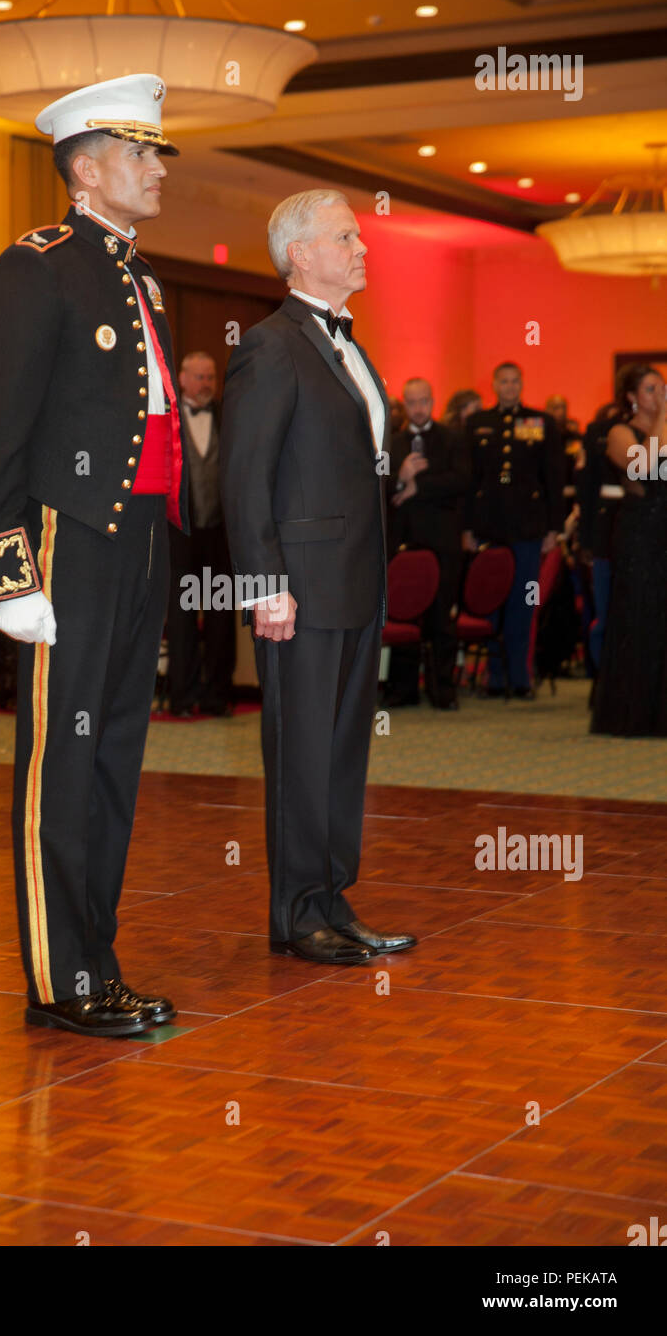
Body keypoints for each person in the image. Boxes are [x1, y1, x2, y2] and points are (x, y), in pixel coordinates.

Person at [0, 74, 189, 1037]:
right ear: (86, 170)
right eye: (142, 154)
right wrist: (7, 574)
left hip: (136, 542)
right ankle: (63, 980)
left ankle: (98, 959)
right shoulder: (38, 266)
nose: (158, 169)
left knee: (113, 761)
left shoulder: (141, 273)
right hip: (69, 541)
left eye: (159, 154)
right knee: (63, 762)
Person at [220, 188, 416, 965]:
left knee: (340, 751)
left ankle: (332, 899)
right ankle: (298, 913)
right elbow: (245, 475)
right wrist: (266, 585)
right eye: (347, 236)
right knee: (300, 750)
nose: (363, 248)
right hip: (299, 587)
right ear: (301, 254)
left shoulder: (349, 345)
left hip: (356, 581)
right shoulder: (271, 345)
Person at [463, 361, 564, 697]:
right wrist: (467, 526)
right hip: (490, 527)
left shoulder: (539, 422)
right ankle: (494, 677)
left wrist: (554, 527)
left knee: (524, 601)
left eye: (515, 381)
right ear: (494, 385)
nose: (509, 387)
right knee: (491, 600)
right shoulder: (479, 423)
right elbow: (470, 480)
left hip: (528, 527)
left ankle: (520, 677)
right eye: (504, 381)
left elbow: (553, 478)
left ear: (522, 384)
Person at [591, 365, 667, 736]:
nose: (660, 395)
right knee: (640, 616)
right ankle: (633, 715)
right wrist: (665, 417)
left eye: (663, 389)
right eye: (652, 389)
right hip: (641, 533)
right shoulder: (621, 432)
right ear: (632, 396)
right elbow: (644, 468)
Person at [387, 376, 469, 709]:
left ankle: (443, 689)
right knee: (404, 613)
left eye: (424, 401)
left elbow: (461, 480)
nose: (419, 408)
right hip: (404, 542)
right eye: (412, 402)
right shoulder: (391, 442)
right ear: (404, 404)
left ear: (433, 401)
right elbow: (378, 485)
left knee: (441, 617)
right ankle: (402, 689)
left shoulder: (452, 439)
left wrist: (419, 486)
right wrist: (401, 478)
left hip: (442, 541)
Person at [166, 351, 235, 716]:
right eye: (200, 377)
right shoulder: (169, 418)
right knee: (182, 616)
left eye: (211, 377)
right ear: (182, 379)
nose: (207, 384)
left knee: (221, 615)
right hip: (181, 533)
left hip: (220, 534)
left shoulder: (228, 416)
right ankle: (184, 693)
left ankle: (217, 695)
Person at [575, 400, 623, 670]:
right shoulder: (598, 433)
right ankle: (602, 674)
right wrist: (586, 538)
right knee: (604, 611)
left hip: (648, 536)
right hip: (604, 534)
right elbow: (587, 488)